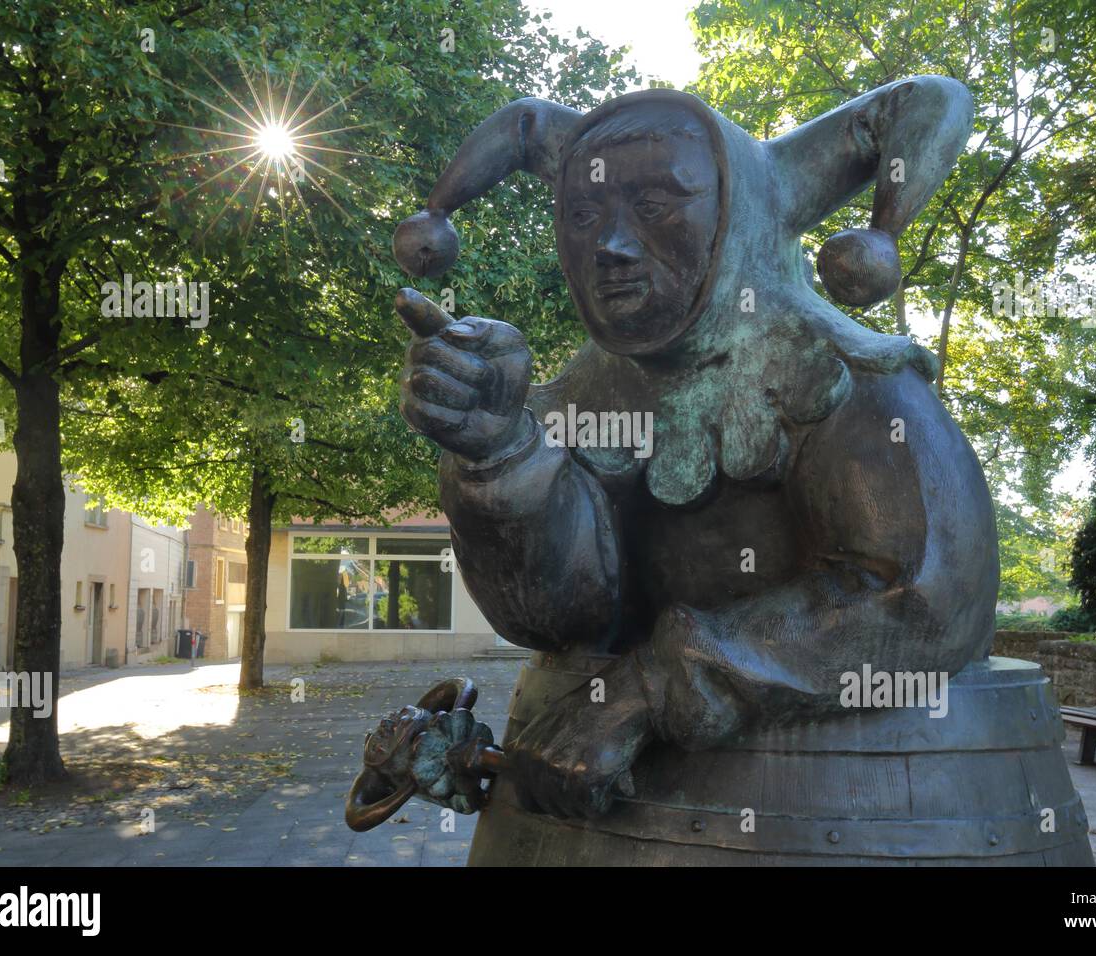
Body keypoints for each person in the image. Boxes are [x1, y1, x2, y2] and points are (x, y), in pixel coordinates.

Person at [392, 78, 997, 820]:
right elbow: (555, 621)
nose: (610, 246)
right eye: (583, 214)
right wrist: (497, 457)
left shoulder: (851, 385)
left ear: (736, 219)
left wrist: (654, 685)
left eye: (654, 205)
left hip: (841, 822)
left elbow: (929, 598)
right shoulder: (571, 408)